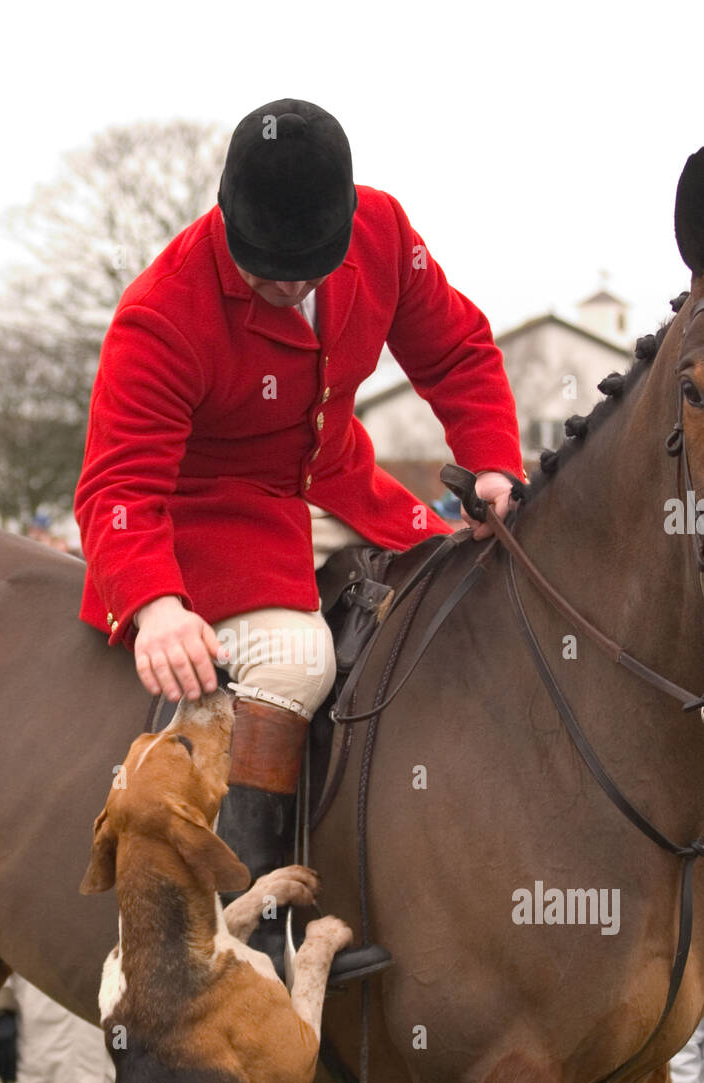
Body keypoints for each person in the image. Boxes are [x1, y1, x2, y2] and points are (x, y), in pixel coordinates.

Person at [75, 98, 524, 978]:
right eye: (270, 269)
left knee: (463, 608)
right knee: (295, 658)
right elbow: (118, 486)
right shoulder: (162, 309)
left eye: (309, 267)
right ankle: (243, 937)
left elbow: (458, 351)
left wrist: (494, 462)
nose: (292, 286)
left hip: (342, 487)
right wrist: (158, 605)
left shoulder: (386, 231)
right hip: (208, 517)